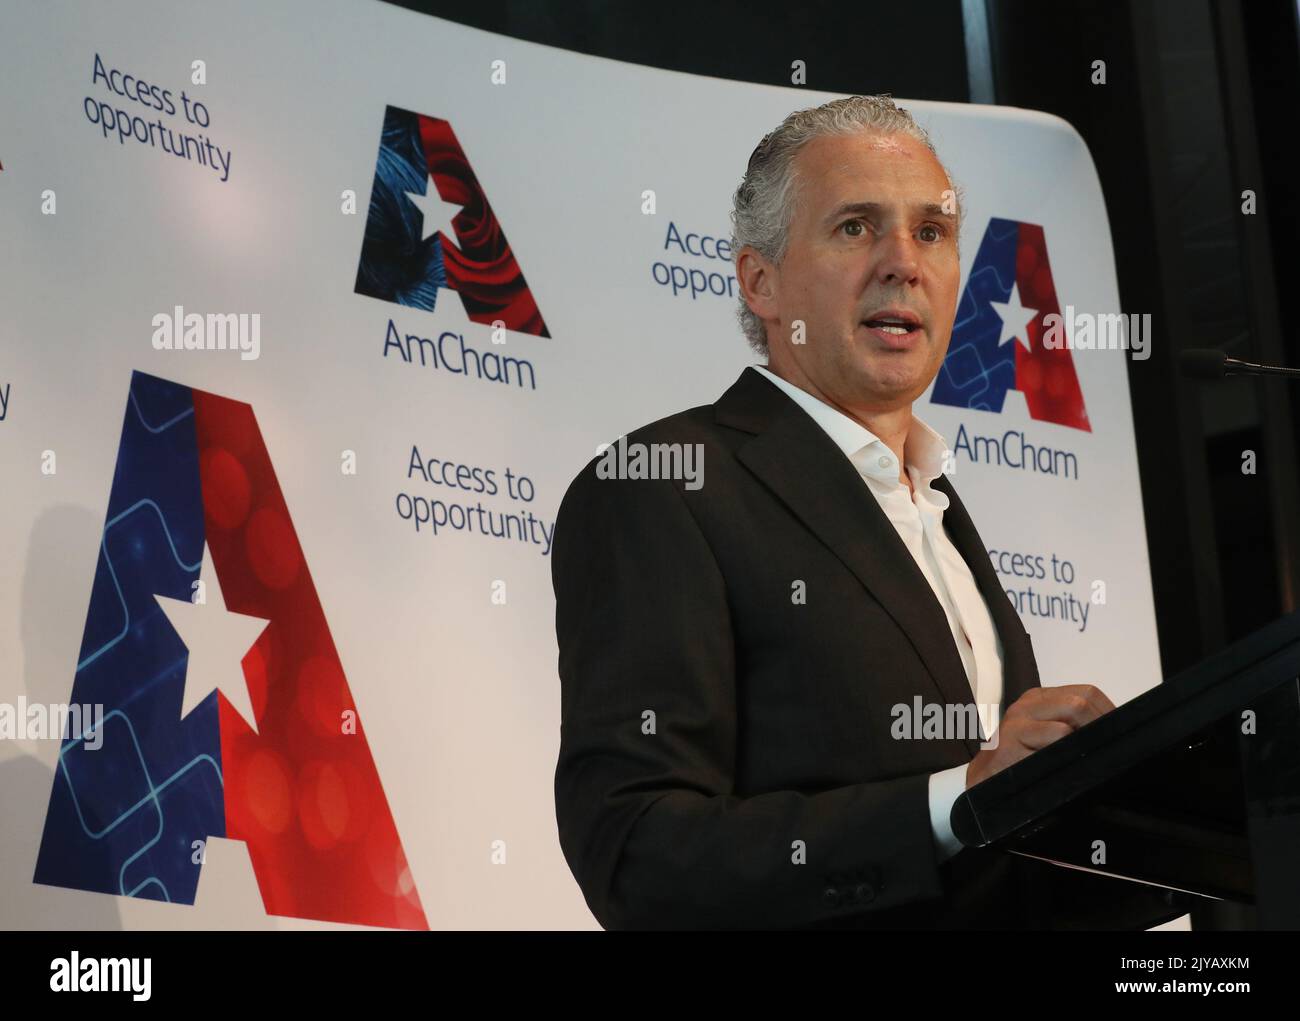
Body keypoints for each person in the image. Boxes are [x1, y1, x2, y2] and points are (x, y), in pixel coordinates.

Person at [550, 95, 1183, 930]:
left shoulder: (940, 509)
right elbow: (635, 851)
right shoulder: (665, 487)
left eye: (932, 231)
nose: (903, 262)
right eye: (856, 227)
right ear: (760, 281)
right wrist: (952, 801)